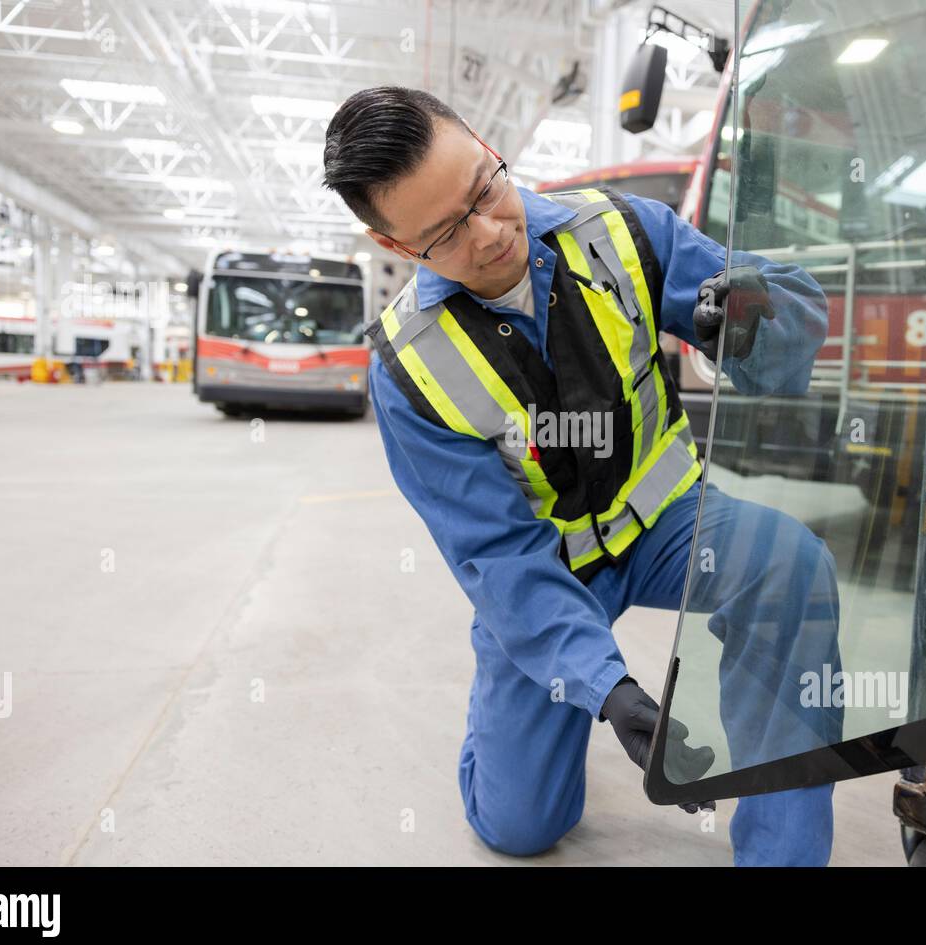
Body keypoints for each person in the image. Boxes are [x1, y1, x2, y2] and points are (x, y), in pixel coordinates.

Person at [323, 86, 841, 866]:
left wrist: (753, 311)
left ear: (484, 139)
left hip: (670, 522)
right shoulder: (408, 369)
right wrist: (608, 689)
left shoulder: (623, 230)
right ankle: (517, 706)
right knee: (521, 826)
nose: (492, 233)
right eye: (445, 234)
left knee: (788, 563)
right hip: (549, 572)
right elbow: (499, 561)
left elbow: (793, 308)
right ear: (394, 244)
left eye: (485, 188)